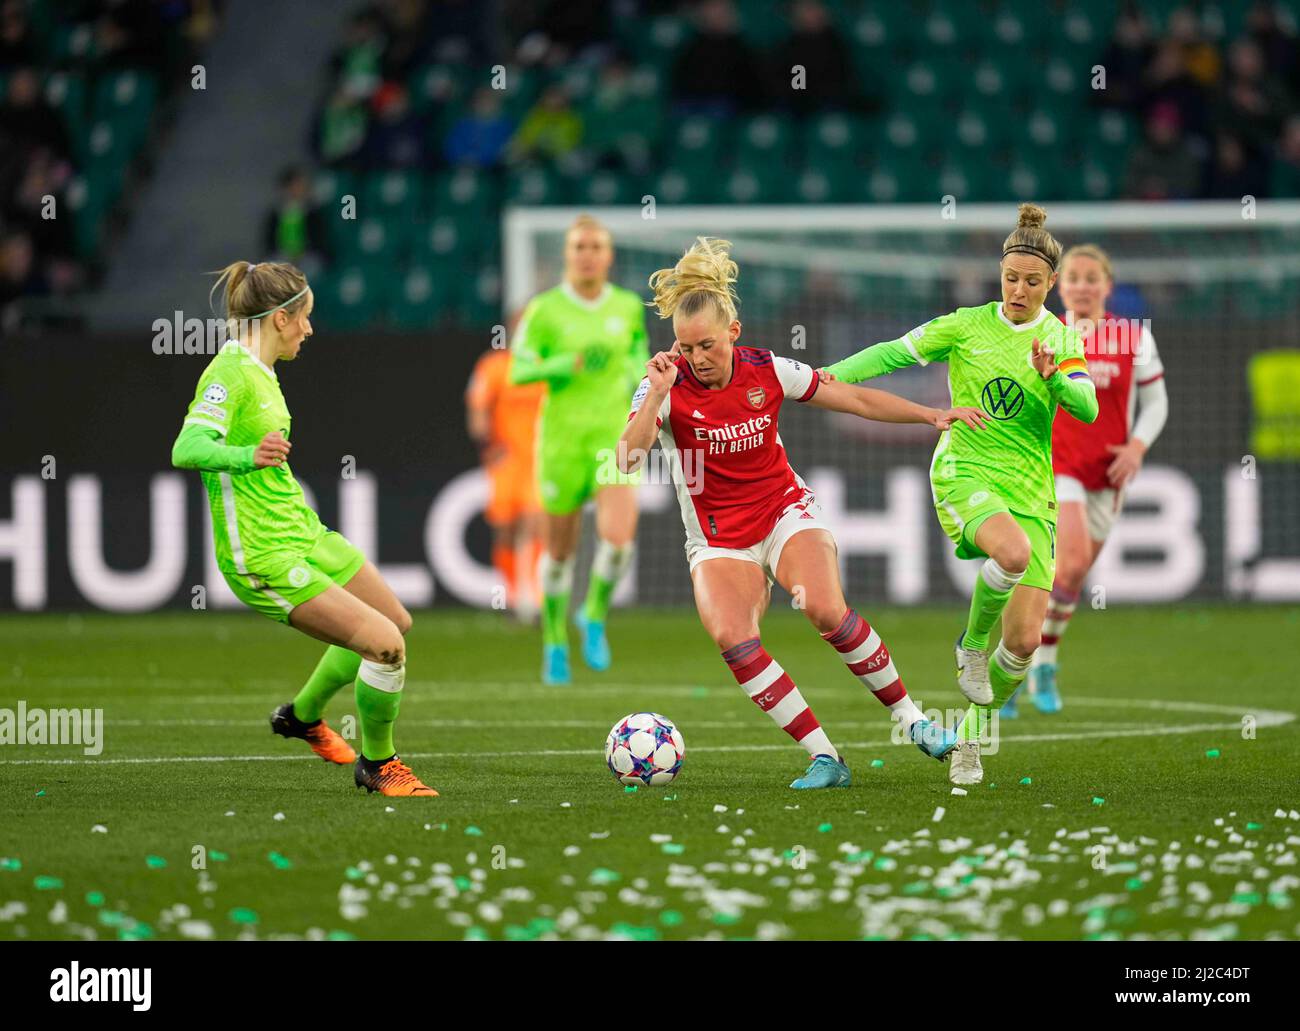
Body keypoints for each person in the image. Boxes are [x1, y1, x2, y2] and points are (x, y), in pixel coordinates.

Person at [620, 237, 987, 788]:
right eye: (686, 347)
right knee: (733, 638)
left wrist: (931, 414)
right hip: (719, 538)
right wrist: (654, 394)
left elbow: (854, 398)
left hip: (784, 512)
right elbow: (627, 459)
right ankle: (826, 758)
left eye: (707, 345)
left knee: (822, 608)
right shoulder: (662, 386)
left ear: (734, 334)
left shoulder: (768, 369)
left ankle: (913, 721)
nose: (697, 358)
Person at [821, 204, 1098, 786]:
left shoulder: (1060, 339)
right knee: (1012, 554)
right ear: (1000, 277)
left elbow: (1087, 408)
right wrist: (823, 377)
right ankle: (970, 643)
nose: (1019, 290)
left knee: (1022, 645)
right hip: (965, 470)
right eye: (1010, 279)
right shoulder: (966, 325)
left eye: (1031, 281)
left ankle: (971, 738)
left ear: (1051, 283)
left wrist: (1051, 376)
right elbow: (892, 352)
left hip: (1032, 491)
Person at [171, 260, 436, 797]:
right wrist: (248, 454)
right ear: (281, 318)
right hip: (263, 553)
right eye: (306, 318)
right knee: (384, 647)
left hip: (303, 532)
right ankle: (379, 764)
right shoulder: (230, 372)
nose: (310, 330)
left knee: (394, 621)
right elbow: (186, 448)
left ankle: (302, 716)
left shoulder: (263, 372)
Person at [1015, 244, 1168, 715]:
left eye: (1091, 278)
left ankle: (1033, 662)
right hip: (1056, 468)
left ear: (1107, 285)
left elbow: (1157, 403)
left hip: (1109, 474)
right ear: (1061, 286)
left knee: (1068, 577)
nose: (1082, 286)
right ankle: (1027, 664)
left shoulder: (1132, 338)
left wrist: (1138, 446)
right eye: (1074, 278)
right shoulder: (1046, 333)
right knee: (1073, 562)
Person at [510, 215, 649, 684]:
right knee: (561, 551)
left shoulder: (628, 306)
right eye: (579, 247)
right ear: (567, 255)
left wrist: (634, 373)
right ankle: (553, 638)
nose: (587, 254)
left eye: (595, 246)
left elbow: (636, 353)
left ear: (608, 255)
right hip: (561, 442)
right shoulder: (545, 309)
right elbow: (519, 369)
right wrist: (564, 363)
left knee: (618, 541)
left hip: (612, 438)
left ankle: (593, 614)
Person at [465, 345, 545, 620]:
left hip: (539, 458)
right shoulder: (494, 365)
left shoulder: (547, 365)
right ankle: (512, 596)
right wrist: (487, 443)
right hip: (507, 459)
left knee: (535, 522)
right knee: (505, 529)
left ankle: (534, 598)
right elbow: (477, 405)